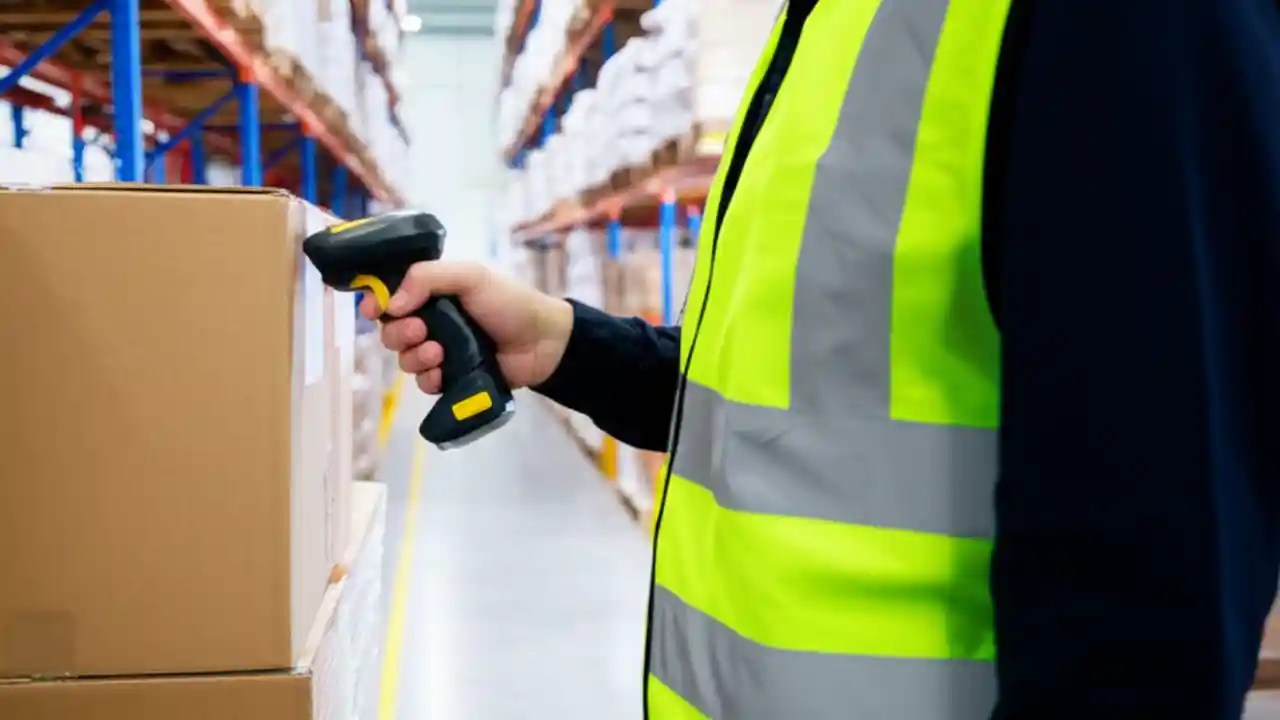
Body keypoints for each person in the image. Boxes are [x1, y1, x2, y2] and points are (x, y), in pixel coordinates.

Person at [364, 0, 1280, 716]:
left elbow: (1159, 592)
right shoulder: (827, 26)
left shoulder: (1123, 23)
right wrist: (564, 342)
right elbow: (793, 396)